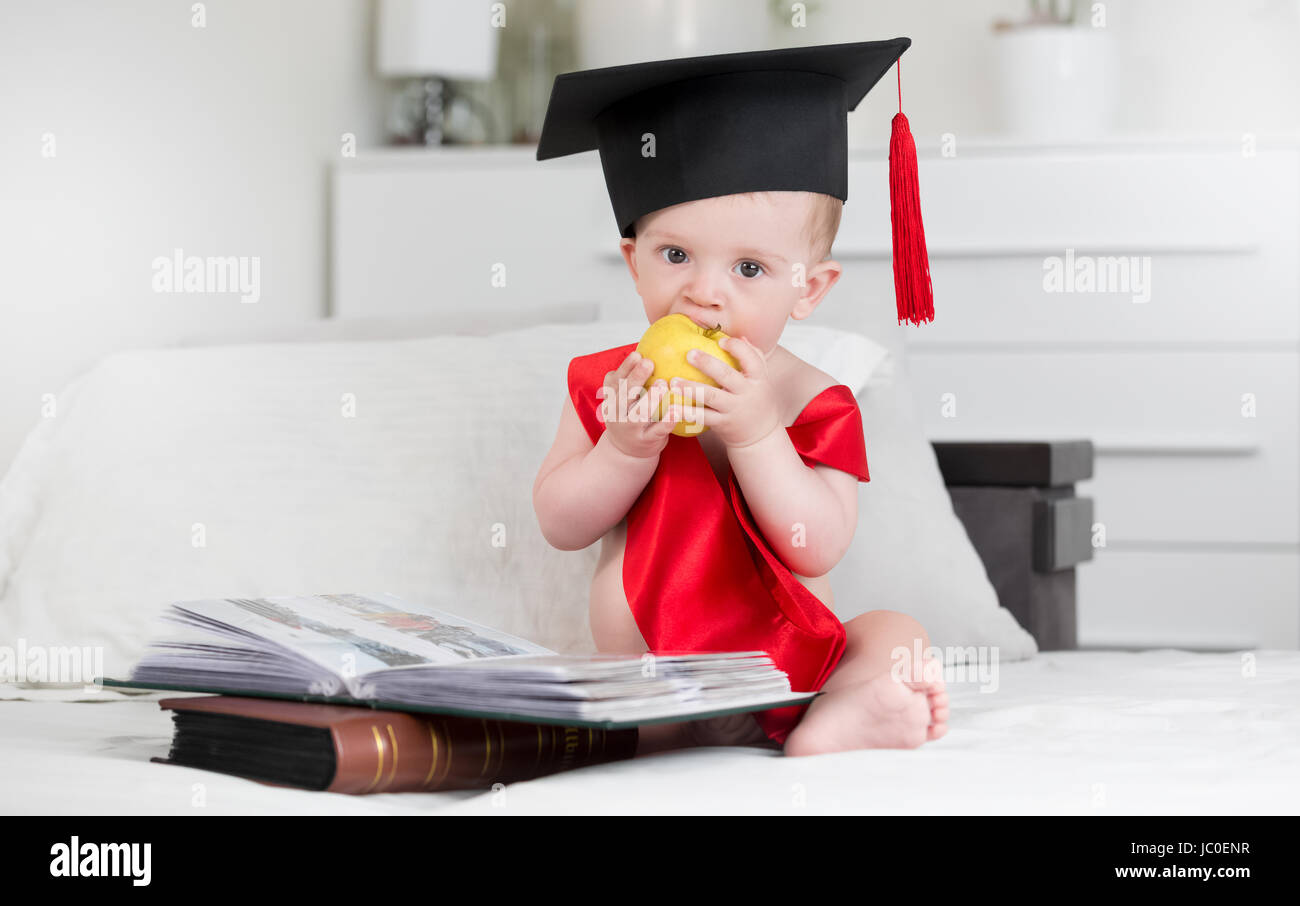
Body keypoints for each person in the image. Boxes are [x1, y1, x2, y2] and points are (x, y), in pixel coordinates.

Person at [532, 40, 947, 757]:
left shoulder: (817, 399)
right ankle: (654, 735)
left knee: (894, 634)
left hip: (777, 670)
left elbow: (814, 549)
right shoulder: (610, 385)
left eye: (750, 267)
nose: (704, 291)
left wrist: (759, 437)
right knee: (587, 694)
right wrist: (623, 451)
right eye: (675, 255)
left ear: (808, 290)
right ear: (634, 264)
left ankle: (839, 718)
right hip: (646, 673)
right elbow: (560, 523)